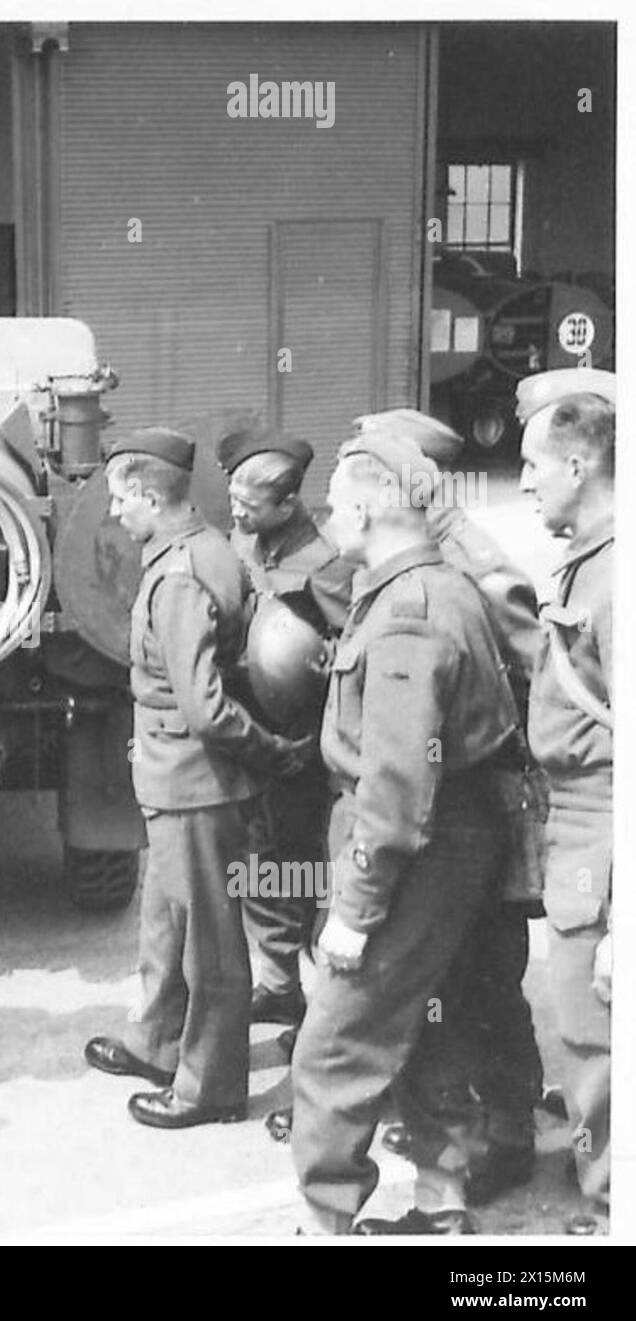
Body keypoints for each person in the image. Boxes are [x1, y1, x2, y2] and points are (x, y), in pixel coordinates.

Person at [290, 432, 518, 1235]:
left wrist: (354, 912)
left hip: (413, 845)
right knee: (430, 1017)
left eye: (336, 502)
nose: (327, 515)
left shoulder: (407, 613)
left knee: (333, 1044)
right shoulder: (435, 586)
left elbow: (395, 787)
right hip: (451, 838)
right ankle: (442, 1200)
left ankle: (324, 1221)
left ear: (368, 506)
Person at [83, 428, 311, 1128]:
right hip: (174, 777)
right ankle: (156, 1041)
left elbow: (207, 709)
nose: (115, 512)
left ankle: (211, 1084)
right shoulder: (201, 547)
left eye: (122, 499)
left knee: (209, 940)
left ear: (153, 498)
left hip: (195, 781)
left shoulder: (181, 576)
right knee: (164, 918)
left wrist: (273, 752)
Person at [353, 408, 547, 1208]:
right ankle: (472, 1116)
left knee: (485, 972)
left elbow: (538, 669)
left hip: (483, 794)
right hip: (453, 790)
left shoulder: (468, 560)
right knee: (461, 974)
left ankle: (507, 1132)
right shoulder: (425, 557)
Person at [516, 368, 615, 1236]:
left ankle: (614, 1207)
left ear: (579, 464)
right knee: (582, 1019)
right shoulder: (588, 563)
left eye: (533, 466)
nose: (522, 482)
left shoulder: (616, 581)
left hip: (605, 820)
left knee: (595, 1025)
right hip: (579, 813)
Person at [216, 424, 352, 1028]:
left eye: (252, 507)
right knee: (258, 863)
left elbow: (354, 655)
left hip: (301, 749)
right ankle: (277, 983)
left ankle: (316, 1014)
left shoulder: (326, 565)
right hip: (251, 737)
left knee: (304, 868)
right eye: (234, 503)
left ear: (290, 504)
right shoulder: (239, 544)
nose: (238, 515)